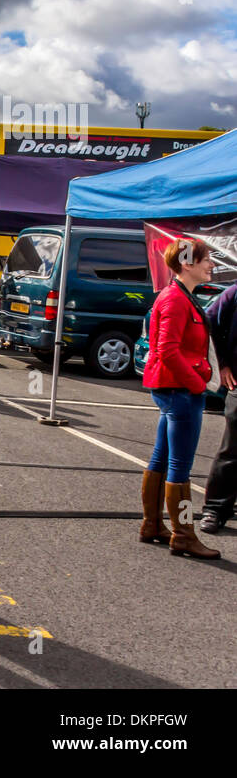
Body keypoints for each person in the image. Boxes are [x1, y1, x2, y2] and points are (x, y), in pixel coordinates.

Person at [141, 238, 219, 558]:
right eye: (206, 260)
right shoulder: (175, 300)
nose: (211, 264)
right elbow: (167, 351)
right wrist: (198, 384)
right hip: (180, 391)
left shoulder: (179, 296)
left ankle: (152, 524)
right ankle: (184, 533)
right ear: (187, 264)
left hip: (175, 389)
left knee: (162, 460)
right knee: (180, 468)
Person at [200, 280, 237, 533]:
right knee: (233, 449)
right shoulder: (234, 293)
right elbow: (209, 323)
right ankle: (215, 509)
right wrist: (222, 363)